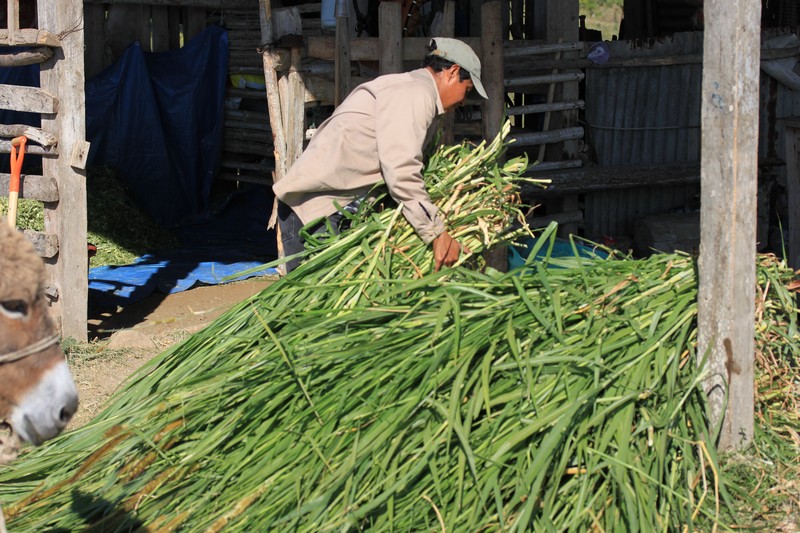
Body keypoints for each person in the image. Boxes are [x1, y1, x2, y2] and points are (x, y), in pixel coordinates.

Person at [273, 37, 487, 273]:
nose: (463, 101)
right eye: (466, 90)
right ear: (452, 72)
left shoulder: (411, 89)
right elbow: (401, 169)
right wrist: (436, 232)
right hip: (316, 209)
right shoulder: (416, 94)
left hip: (332, 206)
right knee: (317, 304)